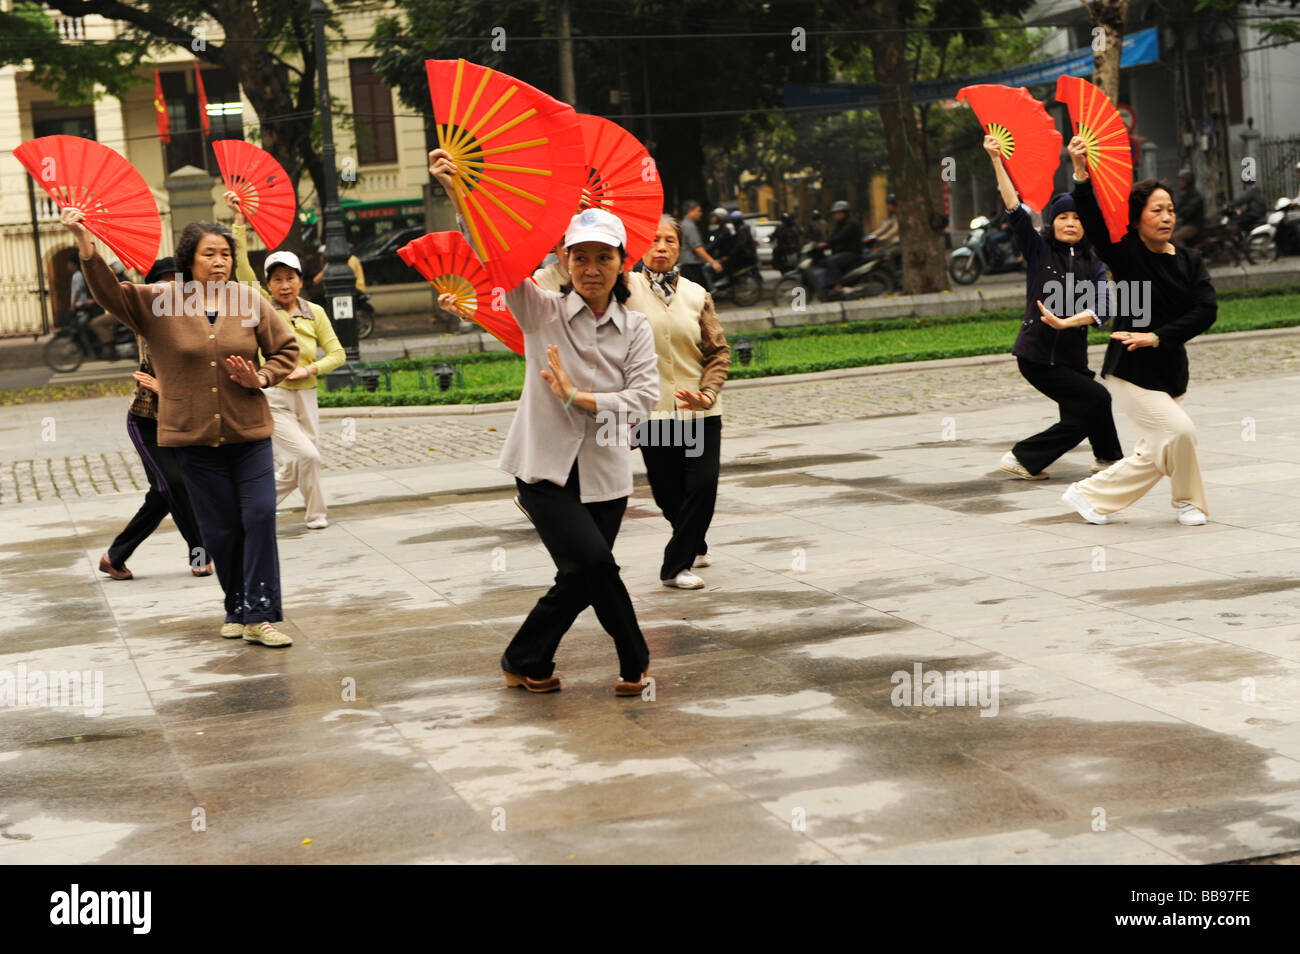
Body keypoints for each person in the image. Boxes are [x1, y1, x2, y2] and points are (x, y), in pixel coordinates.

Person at [429, 147, 658, 696]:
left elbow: (645, 398)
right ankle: (635, 660)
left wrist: (580, 397)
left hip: (606, 474)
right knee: (597, 567)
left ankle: (524, 658)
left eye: (603, 257)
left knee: (580, 574)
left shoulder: (636, 329)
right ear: (564, 262)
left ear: (621, 262)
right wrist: (460, 193)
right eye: (580, 258)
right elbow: (499, 259)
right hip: (543, 472)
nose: (592, 269)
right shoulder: (540, 310)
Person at [64, 206, 301, 647]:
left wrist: (261, 377)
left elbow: (286, 350)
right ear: (189, 260)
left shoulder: (249, 301)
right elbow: (110, 294)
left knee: (260, 515)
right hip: (193, 440)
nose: (220, 261)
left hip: (249, 432)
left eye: (225, 254)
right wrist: (84, 242)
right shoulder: (159, 302)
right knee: (221, 529)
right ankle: (237, 608)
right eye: (210, 253)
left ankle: (261, 615)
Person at [1058, 135, 1217, 527]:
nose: (1167, 217)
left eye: (1171, 210)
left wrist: (1159, 336)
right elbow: (1093, 221)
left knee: (1157, 452)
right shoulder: (1127, 254)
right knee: (1181, 433)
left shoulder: (1191, 261)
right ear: (1137, 216)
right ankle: (1188, 502)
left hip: (1172, 371)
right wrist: (1081, 172)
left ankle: (1089, 494)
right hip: (1131, 369)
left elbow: (1206, 310)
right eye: (1156, 210)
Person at [981, 135, 1123, 481]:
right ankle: (1024, 457)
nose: (1071, 223)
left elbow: (1103, 306)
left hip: (1073, 357)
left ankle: (1106, 459)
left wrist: (1067, 322)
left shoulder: (1093, 261)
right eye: (1063, 218)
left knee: (1081, 414)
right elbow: (1014, 207)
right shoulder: (1038, 250)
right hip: (1037, 356)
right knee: (1098, 400)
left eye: (1077, 217)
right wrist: (997, 160)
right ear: (1052, 223)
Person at [228, 193, 346, 530]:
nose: (284, 285)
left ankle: (246, 510)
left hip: (307, 395)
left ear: (300, 280)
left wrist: (310, 369)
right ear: (268, 284)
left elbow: (338, 354)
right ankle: (316, 515)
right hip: (274, 397)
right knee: (308, 456)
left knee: (299, 465)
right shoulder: (262, 306)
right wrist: (239, 223)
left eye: (290, 278)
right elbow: (242, 269)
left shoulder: (315, 312)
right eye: (277, 279)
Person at [627, 215, 730, 589]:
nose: (661, 247)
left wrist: (707, 393)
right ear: (640, 245)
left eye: (669, 240)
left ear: (679, 246)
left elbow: (718, 352)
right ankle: (695, 541)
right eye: (653, 239)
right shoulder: (624, 288)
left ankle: (675, 567)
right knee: (667, 492)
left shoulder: (697, 294)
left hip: (698, 410)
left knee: (702, 484)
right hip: (651, 410)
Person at [98, 257, 211, 582]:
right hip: (147, 421)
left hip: (183, 419)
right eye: (160, 283)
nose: (167, 288)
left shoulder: (199, 318)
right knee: (174, 484)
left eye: (174, 282)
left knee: (163, 492)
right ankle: (200, 553)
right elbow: (112, 295)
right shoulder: (147, 321)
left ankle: (114, 556)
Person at [817, 200, 863, 296]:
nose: (835, 216)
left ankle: (838, 287)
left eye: (837, 213)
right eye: (835, 213)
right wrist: (823, 242)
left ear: (844, 213)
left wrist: (826, 244)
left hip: (852, 252)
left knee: (831, 261)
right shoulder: (841, 224)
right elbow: (833, 236)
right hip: (843, 251)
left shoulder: (850, 224)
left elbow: (840, 237)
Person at [678, 201, 723, 292]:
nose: (700, 214)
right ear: (691, 211)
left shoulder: (685, 224)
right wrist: (713, 262)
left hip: (688, 265)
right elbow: (698, 248)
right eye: (698, 211)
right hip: (691, 267)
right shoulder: (689, 226)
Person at [1171, 168, 1205, 247]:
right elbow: (1177, 206)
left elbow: (1188, 210)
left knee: (1175, 237)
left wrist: (1179, 213)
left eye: (1182, 180)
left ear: (1188, 181)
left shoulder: (1195, 195)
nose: (1179, 182)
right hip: (1185, 224)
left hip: (1193, 226)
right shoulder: (1186, 194)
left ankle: (1185, 258)